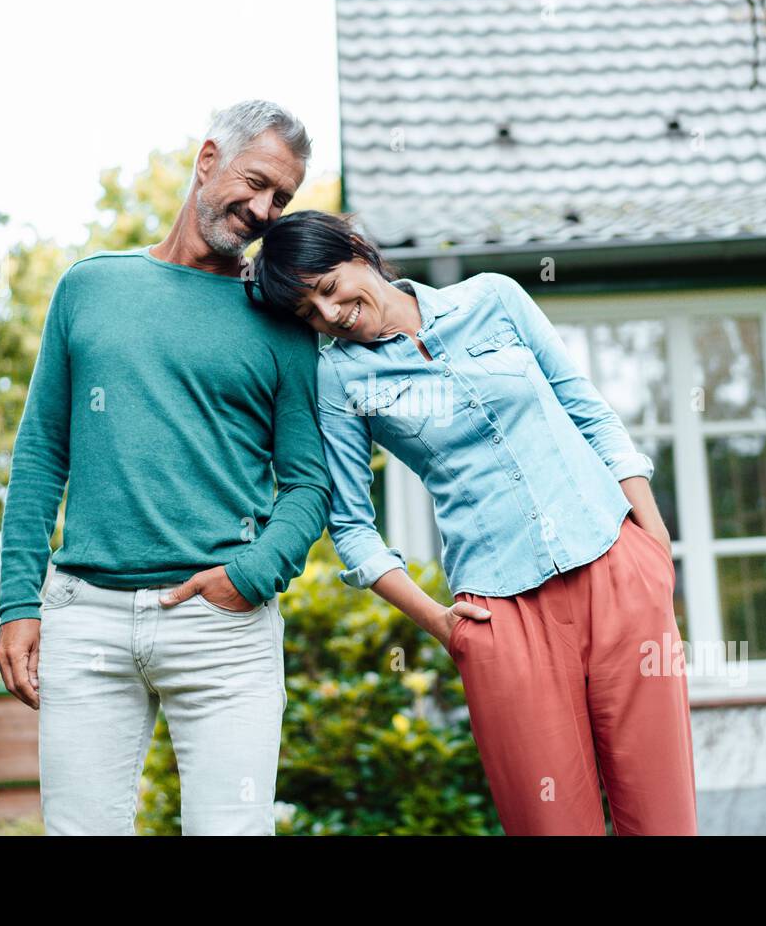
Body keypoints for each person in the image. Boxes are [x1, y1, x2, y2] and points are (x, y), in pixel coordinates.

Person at [251, 210, 698, 835]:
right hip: (502, 616)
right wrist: (439, 624)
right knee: (552, 826)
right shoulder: (339, 377)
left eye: (326, 289)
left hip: (617, 568)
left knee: (663, 817)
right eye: (307, 314)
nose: (328, 316)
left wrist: (653, 544)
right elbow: (351, 526)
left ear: (357, 250)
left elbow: (588, 412)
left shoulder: (493, 298)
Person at [0, 101, 331, 835]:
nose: (265, 209)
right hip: (85, 620)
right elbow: (41, 453)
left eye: (283, 198)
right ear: (208, 160)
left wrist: (252, 574)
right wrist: (18, 602)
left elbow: (310, 483)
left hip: (222, 630)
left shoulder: (283, 322)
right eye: (257, 181)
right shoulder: (89, 288)